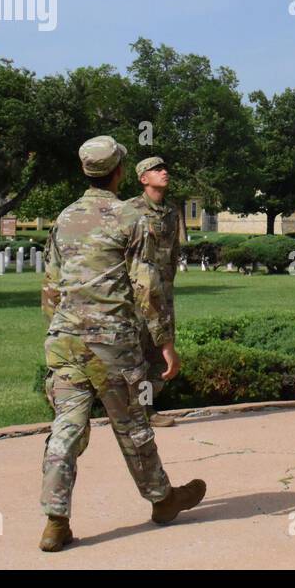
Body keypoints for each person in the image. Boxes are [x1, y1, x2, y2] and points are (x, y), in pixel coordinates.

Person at [38, 136, 205, 552]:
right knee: (133, 428)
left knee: (65, 430)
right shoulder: (130, 218)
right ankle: (164, 501)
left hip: (65, 340)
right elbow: (145, 287)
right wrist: (165, 342)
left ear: (85, 171)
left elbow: (51, 286)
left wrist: (61, 328)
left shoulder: (64, 217)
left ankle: (55, 520)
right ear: (118, 173)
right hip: (111, 341)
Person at [127, 155, 180, 427]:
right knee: (134, 350)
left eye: (164, 168)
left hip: (163, 292)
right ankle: (130, 412)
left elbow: (173, 253)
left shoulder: (172, 212)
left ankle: (148, 410)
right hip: (136, 294)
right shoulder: (129, 211)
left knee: (156, 352)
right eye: (156, 169)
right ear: (143, 178)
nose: (164, 172)